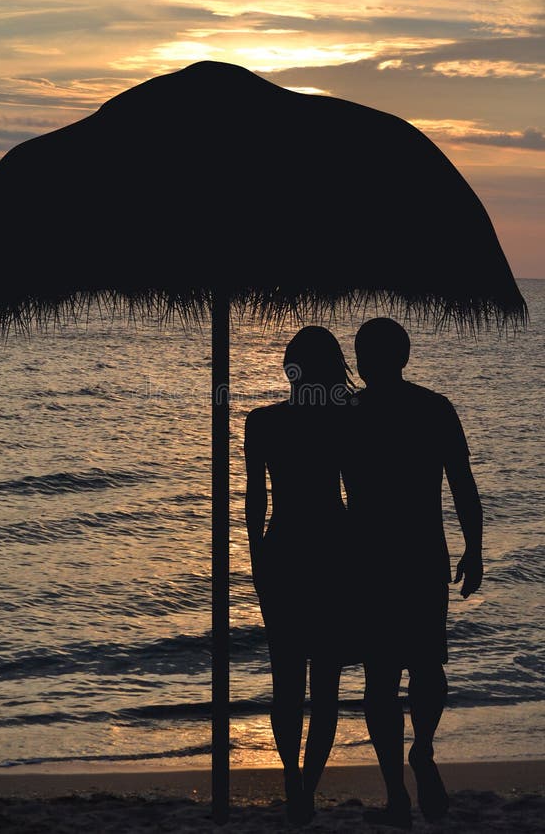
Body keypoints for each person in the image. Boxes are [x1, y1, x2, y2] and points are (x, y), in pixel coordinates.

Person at [341, 317, 484, 829]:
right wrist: (474, 544)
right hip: (411, 554)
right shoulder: (430, 408)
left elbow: (461, 480)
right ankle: (410, 766)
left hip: (384, 556)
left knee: (392, 674)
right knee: (416, 669)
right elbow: (462, 482)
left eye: (364, 352)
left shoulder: (355, 412)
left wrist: (476, 544)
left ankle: (407, 771)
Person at [244, 326, 359, 824]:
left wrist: (256, 557)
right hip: (334, 551)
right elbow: (357, 497)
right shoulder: (346, 422)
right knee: (326, 681)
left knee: (286, 677)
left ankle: (293, 774)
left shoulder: (262, 422)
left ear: (290, 369)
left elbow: (255, 500)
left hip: (283, 548)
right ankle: (307, 783)